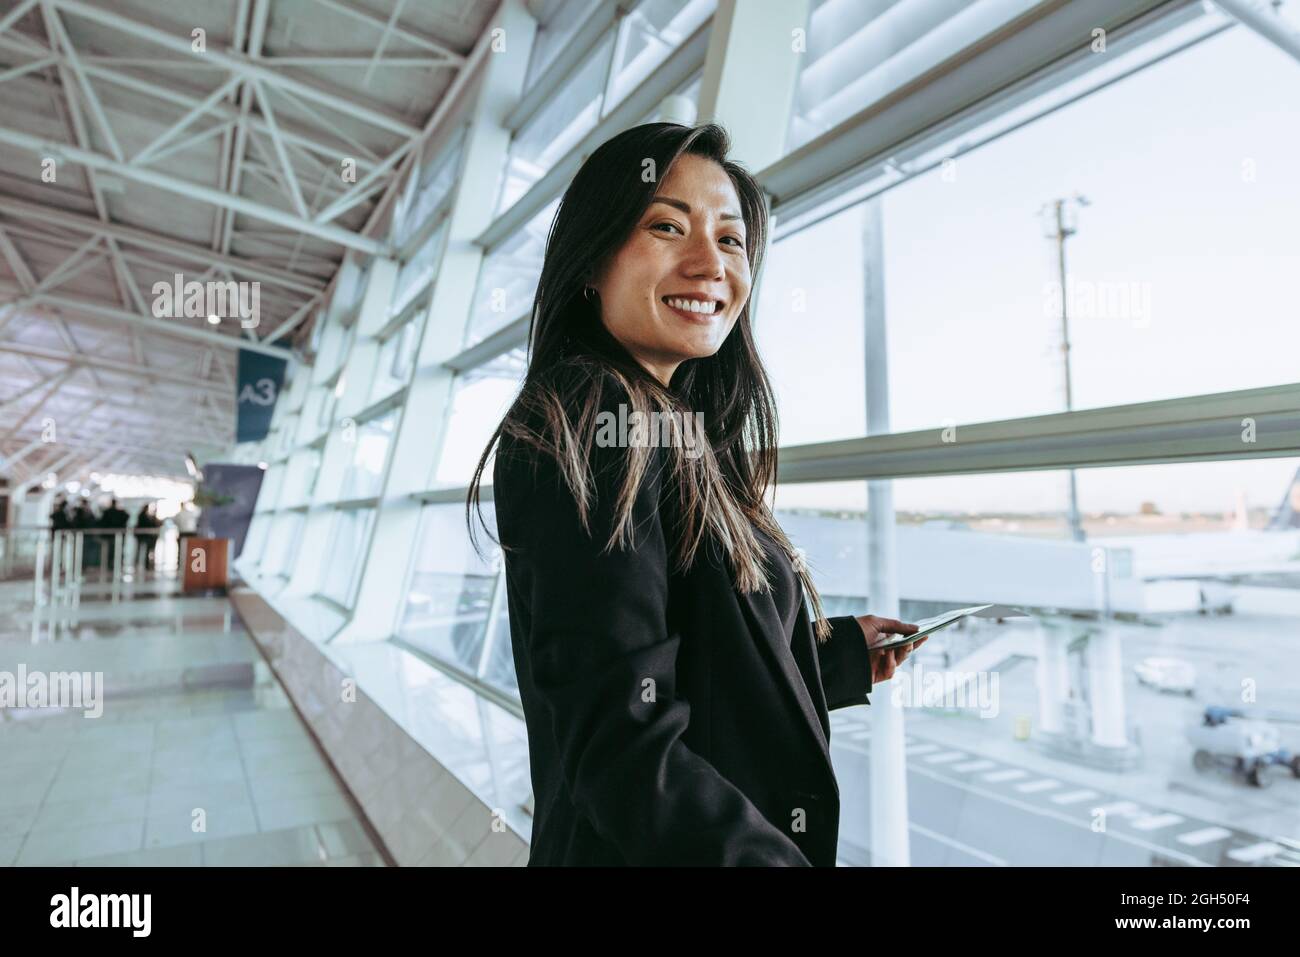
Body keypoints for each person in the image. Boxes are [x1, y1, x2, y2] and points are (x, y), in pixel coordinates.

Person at [468, 123, 927, 867]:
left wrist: (837, 654)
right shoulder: (594, 423)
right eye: (666, 226)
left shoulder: (671, 429)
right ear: (593, 258)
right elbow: (624, 748)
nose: (709, 263)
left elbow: (679, 650)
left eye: (732, 239)